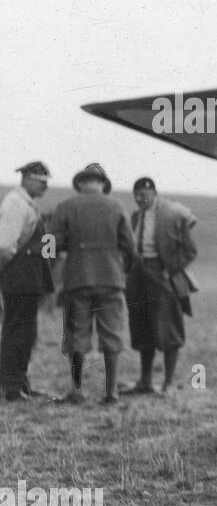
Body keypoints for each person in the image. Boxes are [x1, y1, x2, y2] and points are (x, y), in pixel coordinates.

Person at [47, 163, 134, 404]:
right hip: (111, 280)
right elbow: (131, 247)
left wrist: (64, 252)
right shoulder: (117, 206)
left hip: (78, 280)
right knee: (112, 336)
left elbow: (50, 243)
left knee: (76, 336)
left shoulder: (66, 206)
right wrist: (119, 270)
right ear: (103, 184)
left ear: (80, 183)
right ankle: (111, 392)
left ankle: (77, 391)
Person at [125, 177, 197, 395]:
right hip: (139, 273)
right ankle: (145, 382)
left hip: (162, 274)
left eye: (144, 195)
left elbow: (190, 250)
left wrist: (171, 270)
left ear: (154, 194)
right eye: (137, 196)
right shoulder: (136, 216)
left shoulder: (171, 215)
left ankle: (168, 384)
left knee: (168, 328)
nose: (140, 199)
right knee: (141, 326)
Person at [0, 161, 55, 401]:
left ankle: (20, 382)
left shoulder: (25, 203)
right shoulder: (15, 204)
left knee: (25, 331)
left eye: (46, 182)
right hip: (19, 277)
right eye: (40, 181)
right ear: (26, 179)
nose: (44, 186)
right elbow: (4, 245)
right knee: (17, 331)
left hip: (27, 278)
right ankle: (12, 386)